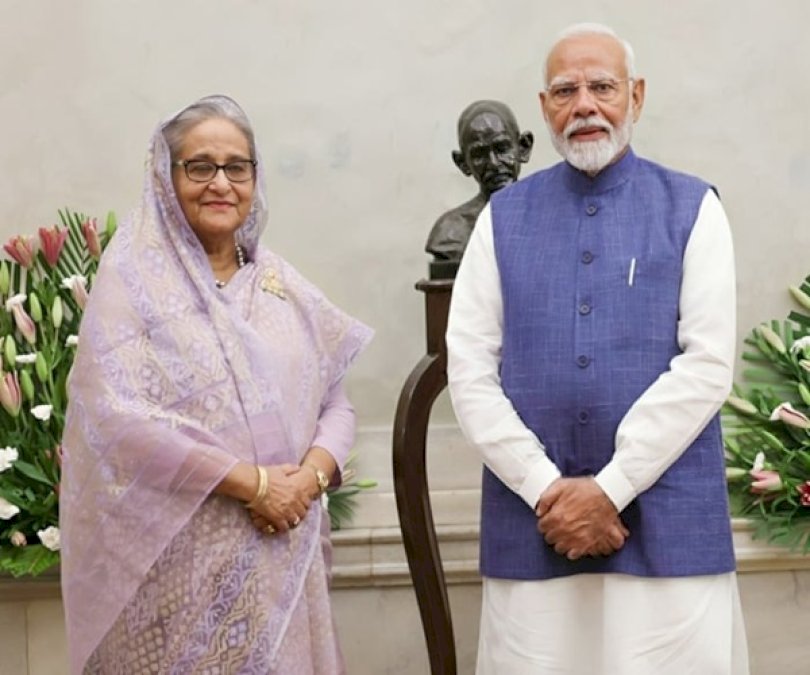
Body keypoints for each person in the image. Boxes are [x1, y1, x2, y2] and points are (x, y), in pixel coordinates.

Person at [446, 23, 749, 674]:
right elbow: (468, 369)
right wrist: (547, 489)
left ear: (635, 96)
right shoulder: (502, 219)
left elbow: (707, 365)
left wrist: (610, 488)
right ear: (545, 107)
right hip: (536, 523)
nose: (584, 104)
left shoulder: (693, 208)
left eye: (602, 86)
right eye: (565, 90)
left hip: (669, 530)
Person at [60, 95, 373, 674]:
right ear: (165, 177)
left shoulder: (280, 283)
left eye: (237, 167)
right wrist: (252, 484)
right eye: (199, 166)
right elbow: (117, 416)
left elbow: (336, 400)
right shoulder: (133, 286)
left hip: (282, 552)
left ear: (255, 179)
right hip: (178, 569)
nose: (220, 183)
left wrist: (307, 479)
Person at [425, 100, 533, 265]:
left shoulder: (551, 217)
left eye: (502, 149)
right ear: (463, 163)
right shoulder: (451, 233)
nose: (493, 163)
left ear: (523, 148)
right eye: (479, 155)